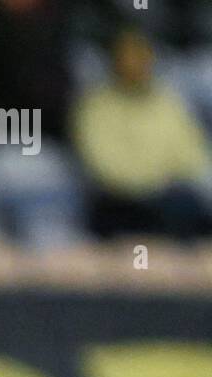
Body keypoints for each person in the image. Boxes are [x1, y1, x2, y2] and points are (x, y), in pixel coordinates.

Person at [72, 27, 212, 240]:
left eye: (142, 54)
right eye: (129, 55)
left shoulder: (167, 100)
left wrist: (170, 180)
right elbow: (106, 169)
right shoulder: (95, 106)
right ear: (115, 59)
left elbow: (193, 155)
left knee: (192, 201)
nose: (136, 61)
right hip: (119, 203)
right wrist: (156, 180)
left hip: (170, 197)